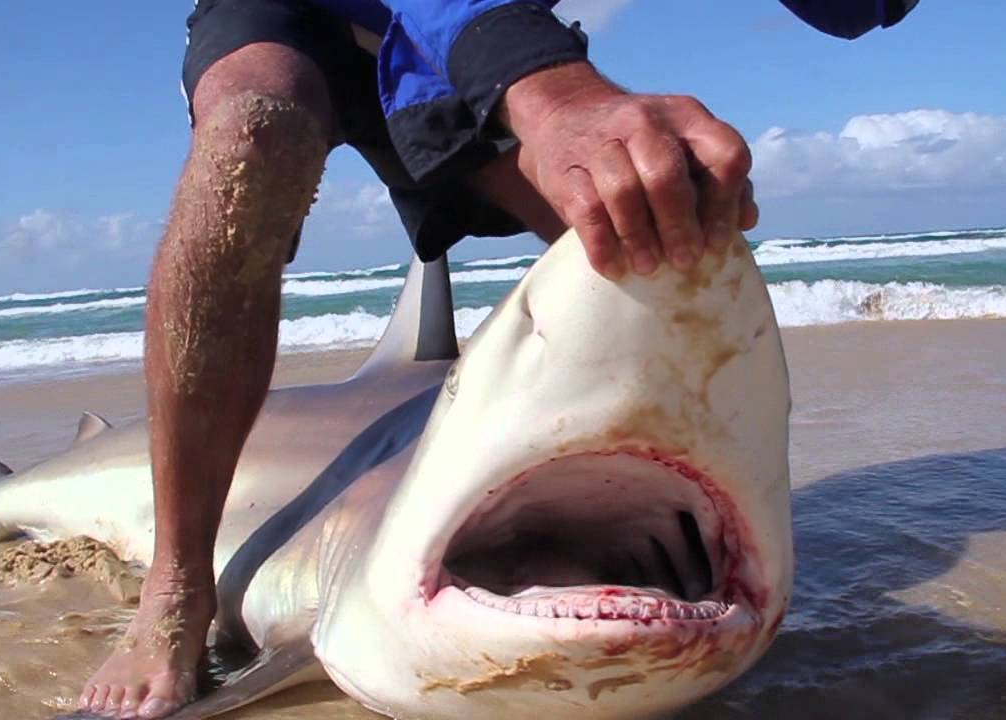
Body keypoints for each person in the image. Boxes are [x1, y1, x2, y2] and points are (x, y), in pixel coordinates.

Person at [75, 0, 918, 717]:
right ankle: (176, 586)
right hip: (324, 13)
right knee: (253, 129)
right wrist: (554, 94)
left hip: (467, 36)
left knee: (642, 235)